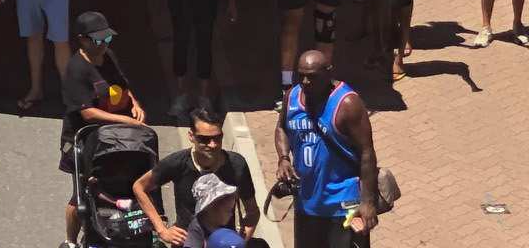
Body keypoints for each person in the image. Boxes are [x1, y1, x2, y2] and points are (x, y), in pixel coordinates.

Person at [59, 11, 145, 248]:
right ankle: (70, 240)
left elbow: (122, 85)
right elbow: (87, 113)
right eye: (98, 40)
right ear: (82, 40)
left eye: (107, 39)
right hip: (83, 137)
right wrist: (127, 121)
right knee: (81, 193)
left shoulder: (108, 56)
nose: (103, 44)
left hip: (114, 134)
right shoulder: (76, 69)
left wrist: (135, 104)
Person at [276, 51, 378, 244]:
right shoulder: (292, 97)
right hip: (307, 204)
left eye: (312, 76)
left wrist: (368, 202)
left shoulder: (347, 104)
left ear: (328, 72)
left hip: (343, 205)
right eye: (301, 75)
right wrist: (284, 158)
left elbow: (366, 152)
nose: (305, 82)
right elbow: (282, 127)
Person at [132, 108, 258, 246]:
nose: (213, 144)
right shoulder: (177, 163)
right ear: (191, 136)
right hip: (186, 241)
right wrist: (162, 229)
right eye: (204, 139)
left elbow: (252, 211)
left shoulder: (236, 164)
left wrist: (240, 241)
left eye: (217, 137)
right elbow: (139, 187)